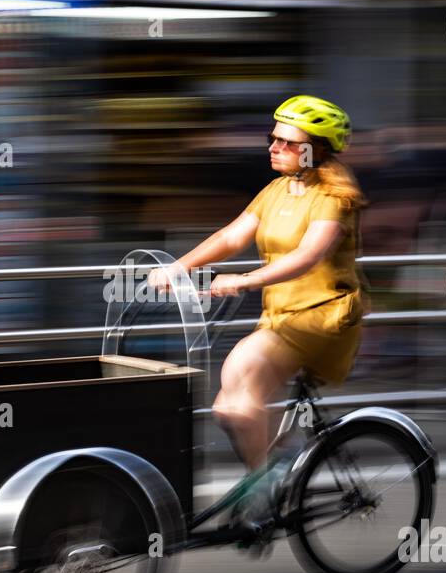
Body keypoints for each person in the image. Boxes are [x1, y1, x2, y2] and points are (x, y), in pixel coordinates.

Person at [150, 95, 367, 538]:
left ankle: (264, 485)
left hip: (323, 313)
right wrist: (180, 266)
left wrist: (245, 280)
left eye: (287, 142)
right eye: (272, 138)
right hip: (282, 314)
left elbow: (309, 256)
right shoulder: (276, 191)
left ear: (315, 150)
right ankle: (269, 473)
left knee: (242, 369)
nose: (273, 147)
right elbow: (231, 236)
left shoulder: (334, 199)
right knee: (229, 407)